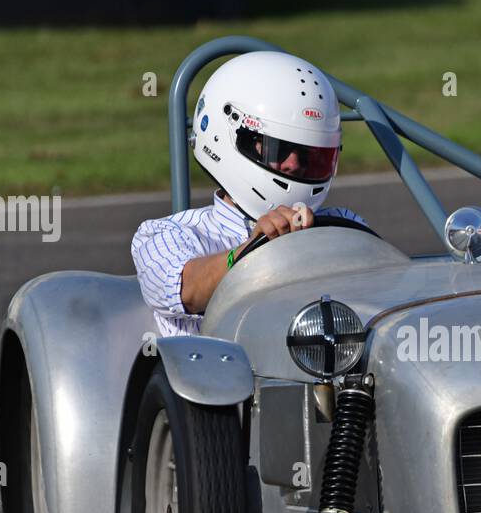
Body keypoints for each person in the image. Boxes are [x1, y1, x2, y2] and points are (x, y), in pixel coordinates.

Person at [131, 51, 366, 336]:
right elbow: (189, 291)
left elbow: (385, 289)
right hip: (214, 375)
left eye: (308, 155)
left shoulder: (342, 225)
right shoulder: (167, 234)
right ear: (228, 137)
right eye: (278, 149)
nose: (293, 164)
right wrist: (256, 250)